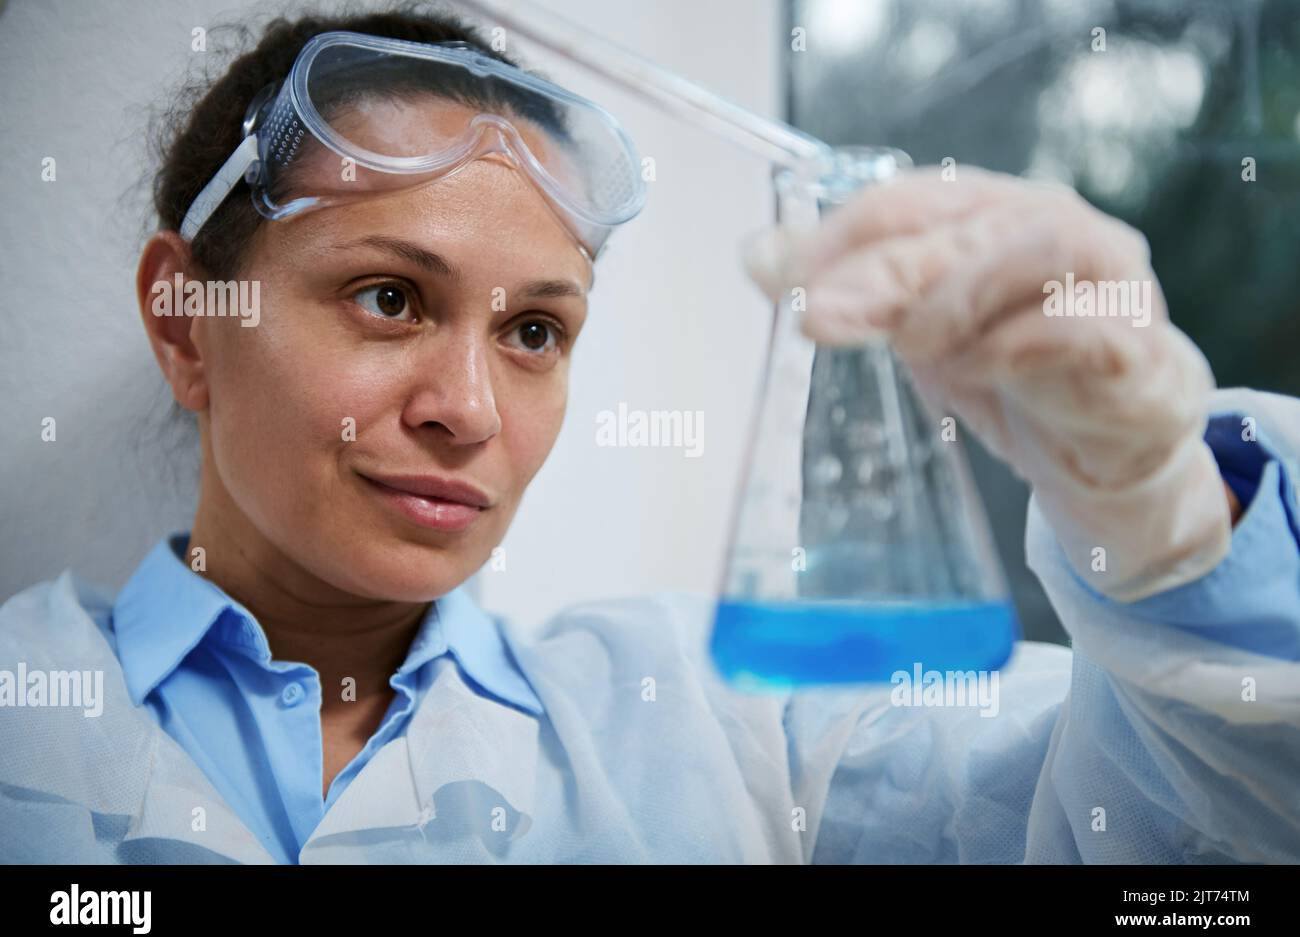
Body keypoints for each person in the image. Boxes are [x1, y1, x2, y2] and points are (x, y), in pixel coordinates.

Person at [1, 6, 1297, 865]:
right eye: (389, 298)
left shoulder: (724, 728)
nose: (470, 407)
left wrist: (1171, 521)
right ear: (187, 323)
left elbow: (1193, 836)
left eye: (535, 332)